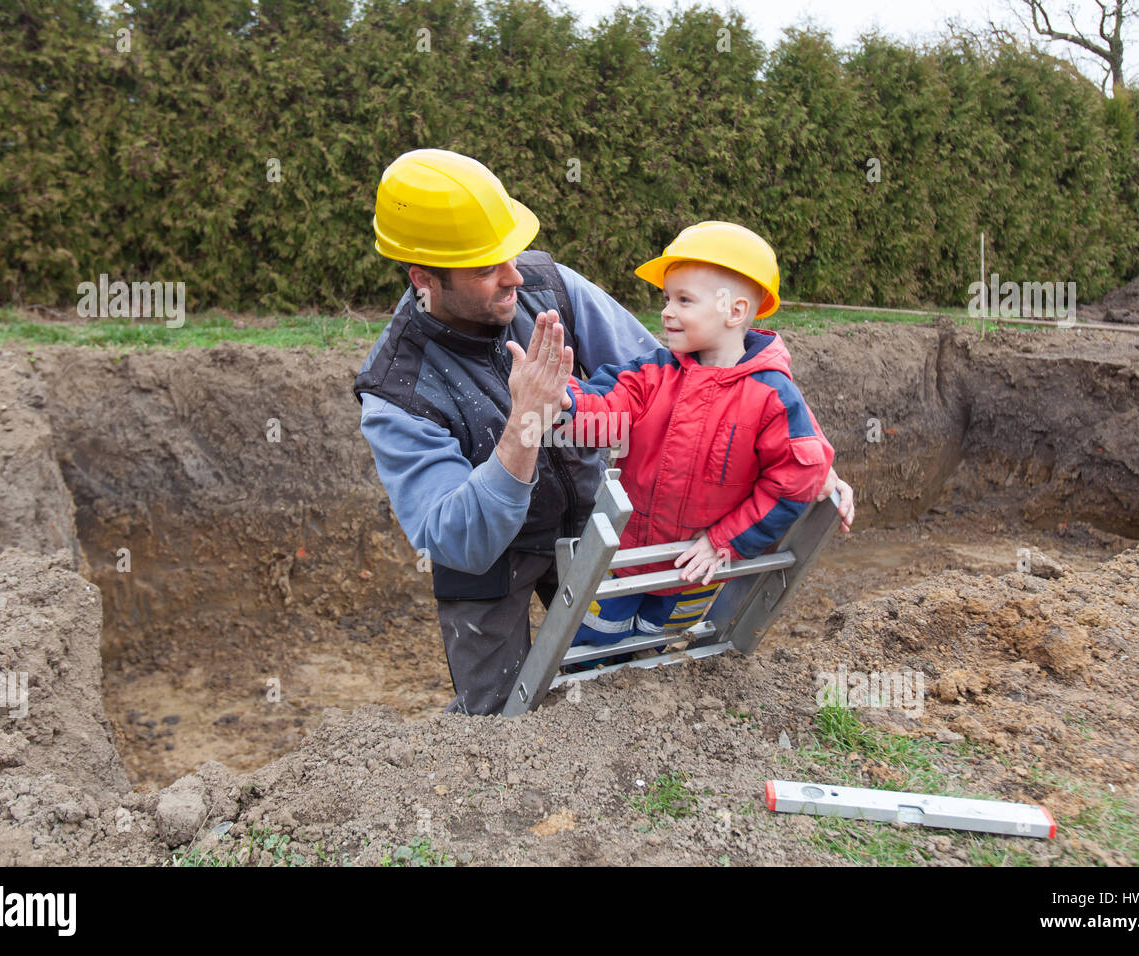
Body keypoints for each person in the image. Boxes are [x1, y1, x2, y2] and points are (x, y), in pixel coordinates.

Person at [354, 149, 855, 715]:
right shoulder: (397, 392)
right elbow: (457, 541)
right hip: (492, 558)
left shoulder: (546, 285)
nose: (514, 275)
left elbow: (686, 374)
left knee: (612, 680)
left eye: (510, 255)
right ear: (424, 279)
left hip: (591, 523)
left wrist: (807, 448)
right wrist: (525, 425)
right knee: (495, 719)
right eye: (485, 268)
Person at [559, 222, 836, 647]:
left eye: (684, 300)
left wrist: (726, 540)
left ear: (735, 311)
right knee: (588, 652)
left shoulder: (771, 397)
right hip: (625, 559)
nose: (667, 311)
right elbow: (604, 410)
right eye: (666, 298)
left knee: (656, 654)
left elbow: (795, 477)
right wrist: (562, 400)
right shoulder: (652, 371)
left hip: (696, 569)